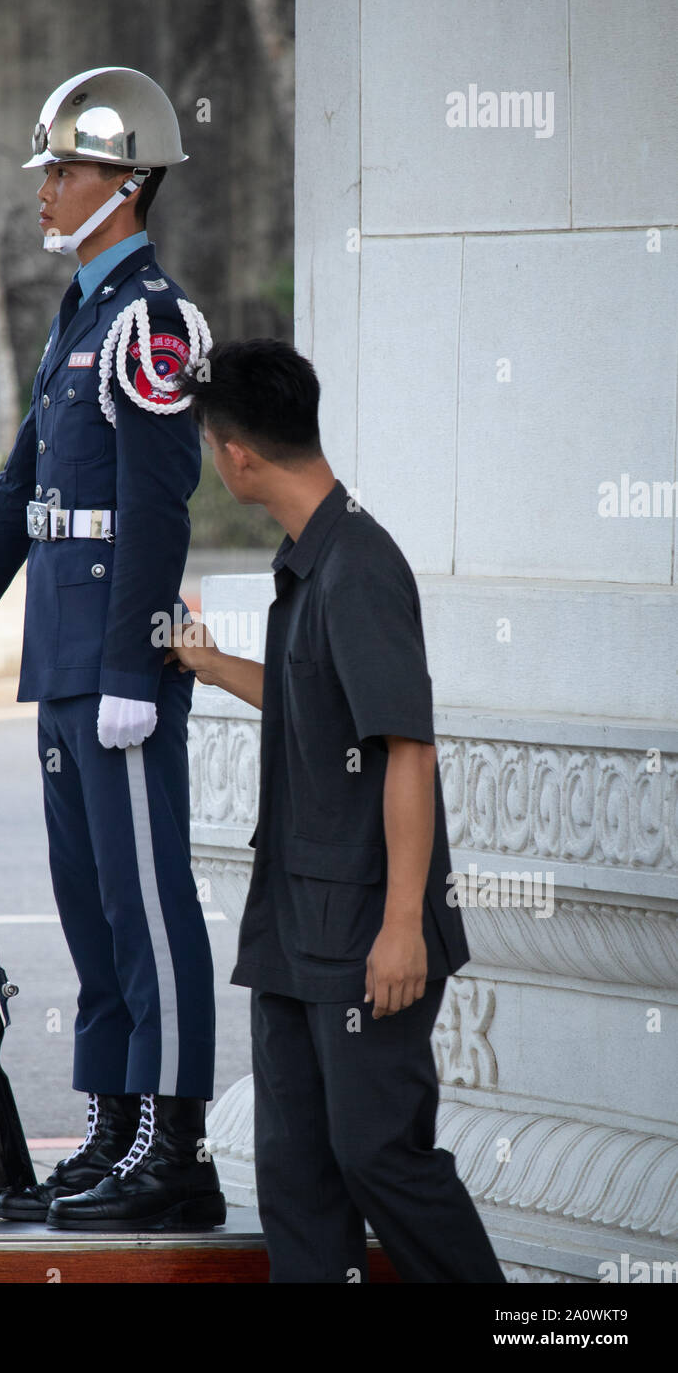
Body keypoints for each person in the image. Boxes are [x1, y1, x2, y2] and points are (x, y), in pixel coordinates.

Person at [0, 67, 225, 1231]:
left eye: (64, 170)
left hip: (114, 667)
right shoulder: (81, 316)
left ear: (123, 187)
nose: (45, 191)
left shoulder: (153, 323)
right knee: (89, 906)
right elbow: (23, 489)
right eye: (48, 171)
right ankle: (117, 1127)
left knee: (148, 903)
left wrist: (136, 667)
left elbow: (157, 508)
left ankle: (177, 1147)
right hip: (60, 658)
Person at [165, 339, 506, 1280]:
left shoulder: (358, 566)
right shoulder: (309, 559)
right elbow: (314, 696)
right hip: (293, 929)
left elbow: (409, 745)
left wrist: (404, 927)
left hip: (363, 932)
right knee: (296, 1177)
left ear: (235, 454)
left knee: (380, 1160)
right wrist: (209, 662)